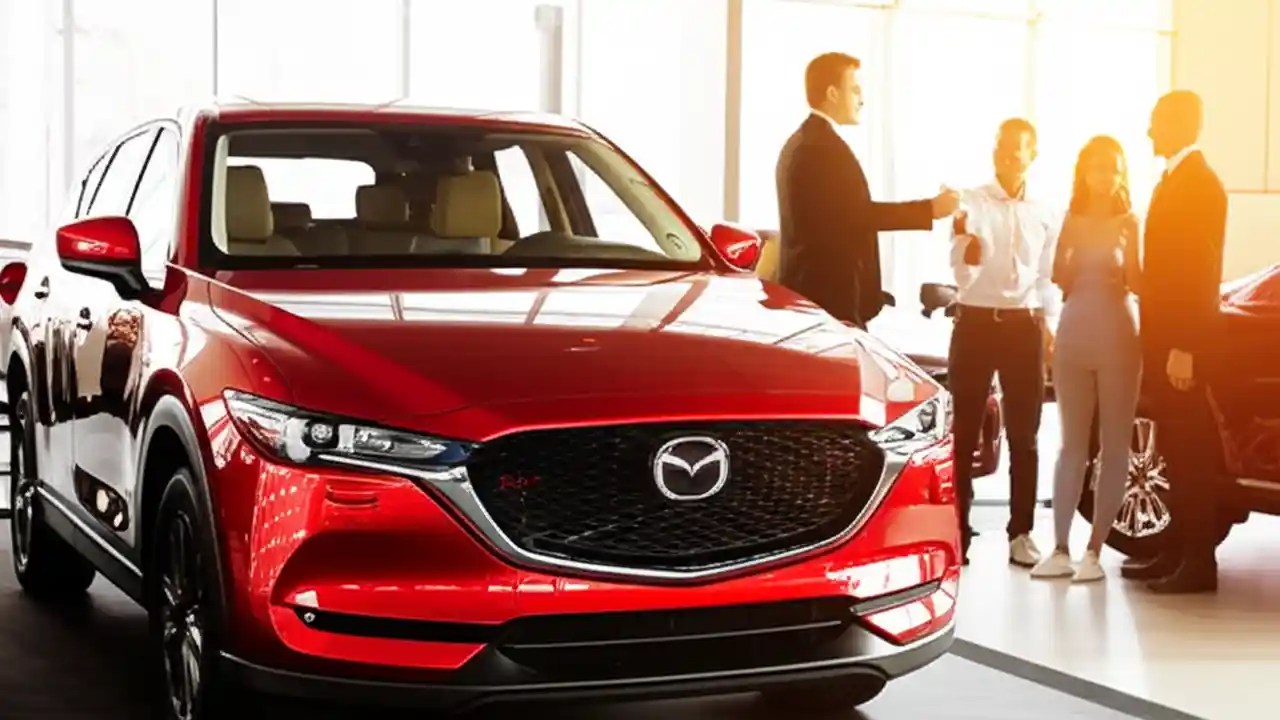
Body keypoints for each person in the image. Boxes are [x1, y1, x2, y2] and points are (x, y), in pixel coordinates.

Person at [1120, 90, 1228, 594]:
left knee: (1191, 453)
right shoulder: (1173, 180)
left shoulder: (1201, 184)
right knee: (1174, 452)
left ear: (1181, 123)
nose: (1148, 131)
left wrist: (1185, 346)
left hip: (1181, 344)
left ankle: (1198, 562)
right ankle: (1175, 549)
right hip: (1162, 339)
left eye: (1156, 121)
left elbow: (1200, 272)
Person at [775, 51, 959, 329]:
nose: (861, 99)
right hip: (828, 301)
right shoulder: (819, 148)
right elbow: (856, 215)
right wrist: (929, 209)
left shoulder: (808, 141)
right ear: (833, 94)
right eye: (854, 89)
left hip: (819, 297)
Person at [948, 118, 1060, 567]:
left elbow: (1047, 277)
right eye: (1001, 146)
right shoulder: (970, 201)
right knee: (963, 434)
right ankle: (957, 532)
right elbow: (960, 271)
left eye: (1017, 148)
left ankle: (1021, 533)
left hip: (1023, 327)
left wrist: (1050, 325)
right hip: (974, 323)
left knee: (1024, 436)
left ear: (1033, 154)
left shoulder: (1046, 210)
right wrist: (969, 252)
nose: (1008, 154)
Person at [1030, 136, 1142, 583]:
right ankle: (1060, 548)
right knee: (1071, 445)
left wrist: (1126, 255)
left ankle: (1094, 551)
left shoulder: (1130, 222)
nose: (1104, 176)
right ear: (1084, 172)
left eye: (1112, 168)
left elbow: (1139, 281)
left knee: (1114, 445)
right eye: (1097, 167)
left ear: (1121, 173)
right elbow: (1057, 276)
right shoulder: (1070, 219)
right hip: (1074, 332)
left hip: (1118, 336)